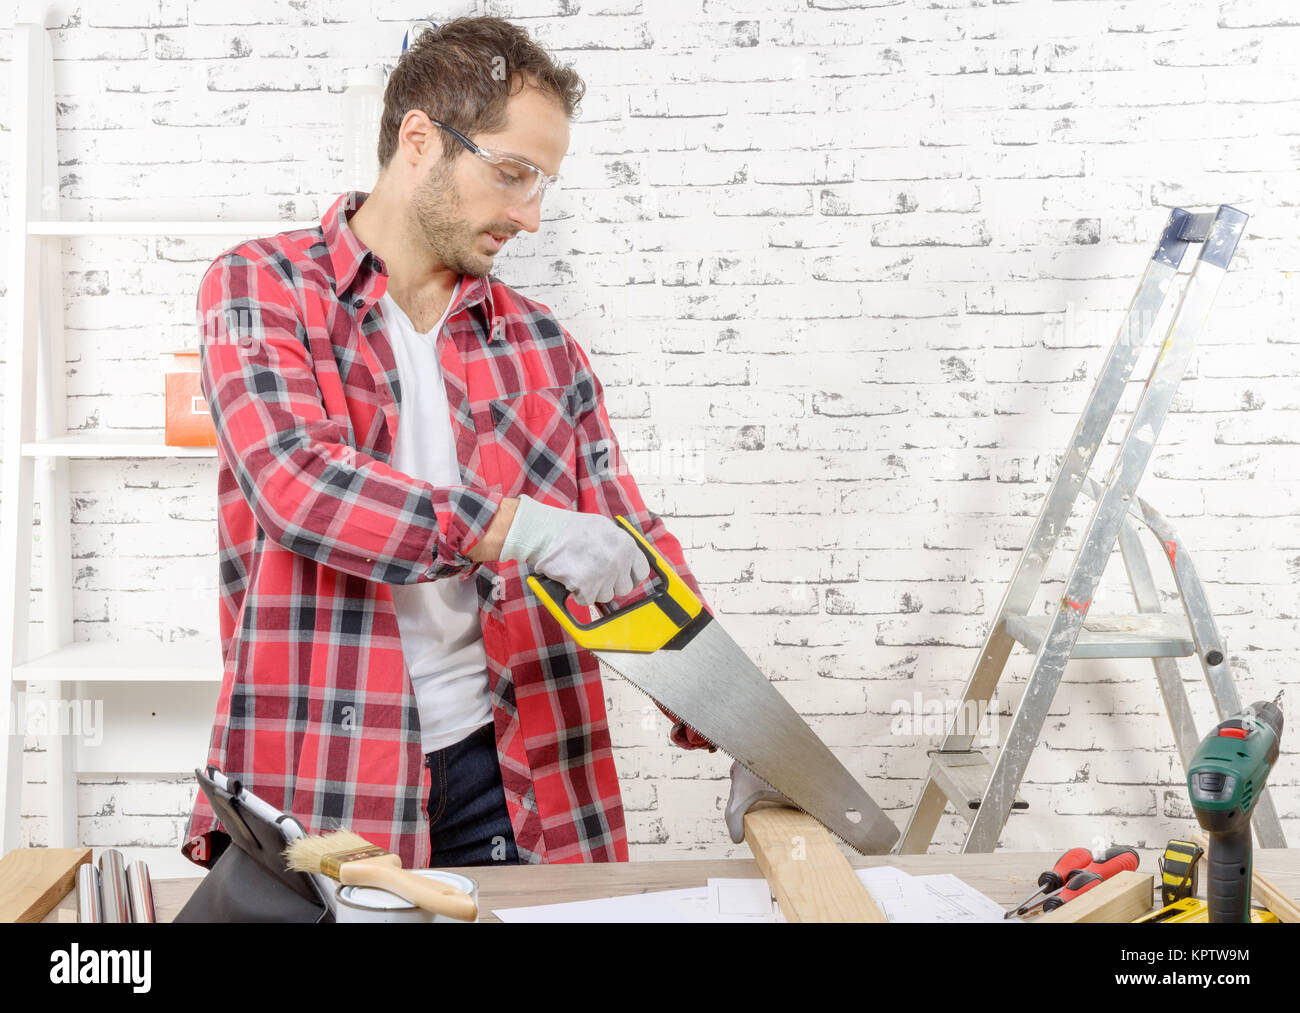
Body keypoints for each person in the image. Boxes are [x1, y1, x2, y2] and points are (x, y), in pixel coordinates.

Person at [182, 16, 712, 872]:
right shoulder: (260, 289)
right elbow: (300, 489)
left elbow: (628, 541)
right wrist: (530, 530)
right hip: (323, 774)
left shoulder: (544, 347)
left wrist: (733, 716)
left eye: (544, 186)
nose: (530, 216)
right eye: (512, 175)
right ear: (420, 139)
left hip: (508, 776)